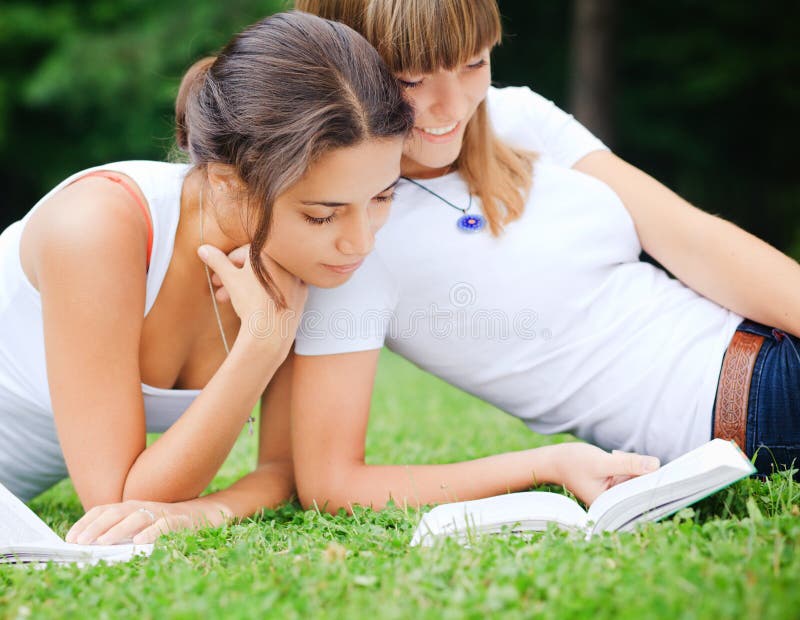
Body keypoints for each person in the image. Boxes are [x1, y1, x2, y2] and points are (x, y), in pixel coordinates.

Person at [286, 0, 800, 514]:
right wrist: (546, 465)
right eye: (412, 80)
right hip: (745, 407)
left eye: (473, 63)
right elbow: (331, 482)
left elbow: (694, 239)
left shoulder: (521, 116)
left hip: (773, 341)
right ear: (345, 72)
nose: (454, 105)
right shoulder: (350, 239)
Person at [0, 11, 414, 544]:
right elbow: (118, 502)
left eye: (382, 197)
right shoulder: (97, 228)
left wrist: (203, 512)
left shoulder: (306, 257)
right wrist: (263, 345)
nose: (361, 242)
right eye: (321, 214)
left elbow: (285, 470)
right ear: (230, 184)